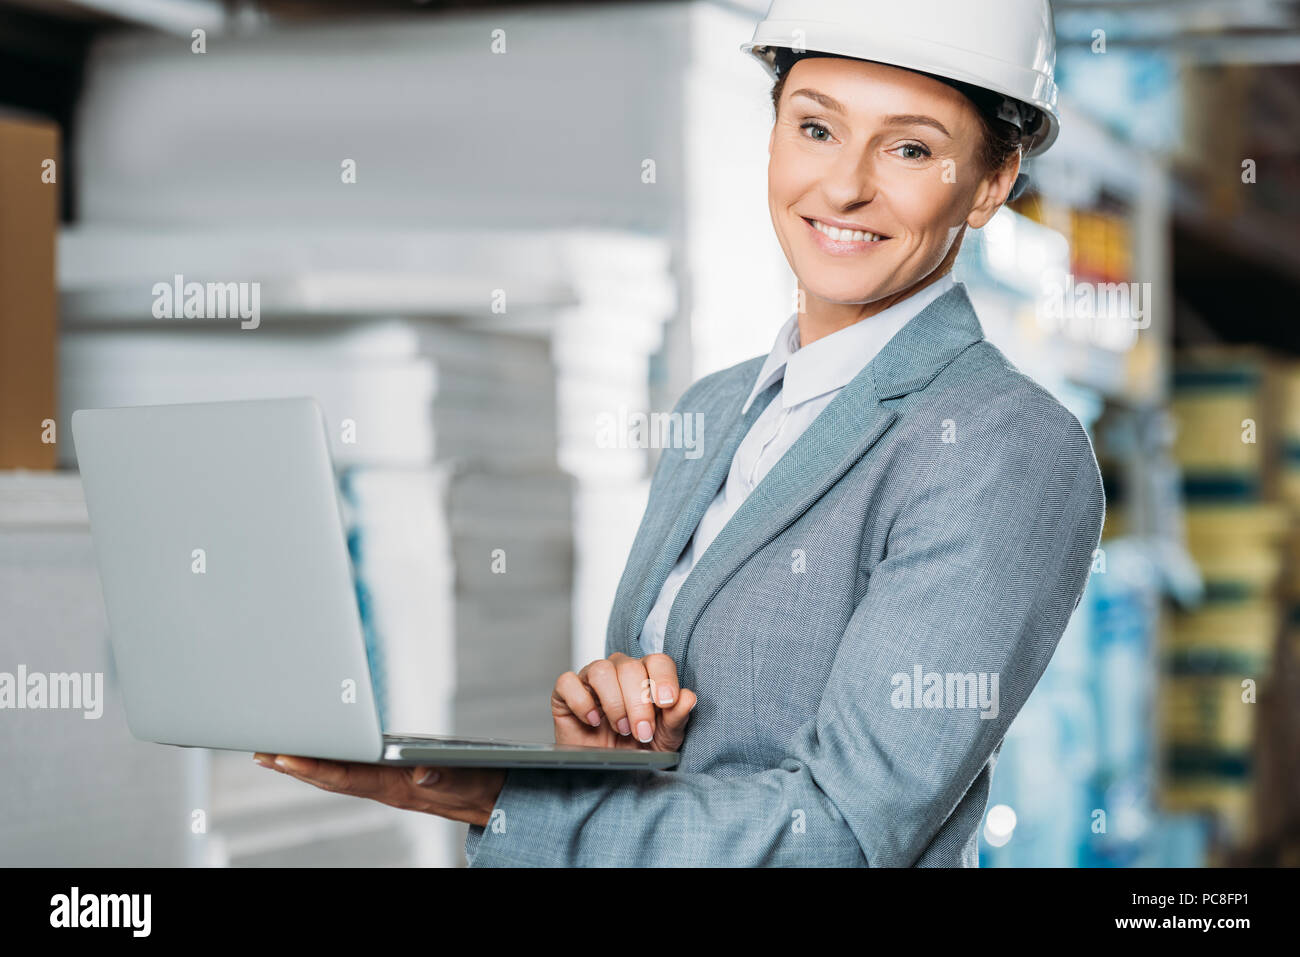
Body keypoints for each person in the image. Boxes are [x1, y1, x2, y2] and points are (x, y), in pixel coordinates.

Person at [259, 0, 1106, 867]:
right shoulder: (719, 407)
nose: (844, 186)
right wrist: (611, 757)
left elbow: (848, 833)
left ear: (992, 182)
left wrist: (500, 798)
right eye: (816, 127)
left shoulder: (1004, 446)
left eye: (910, 148)